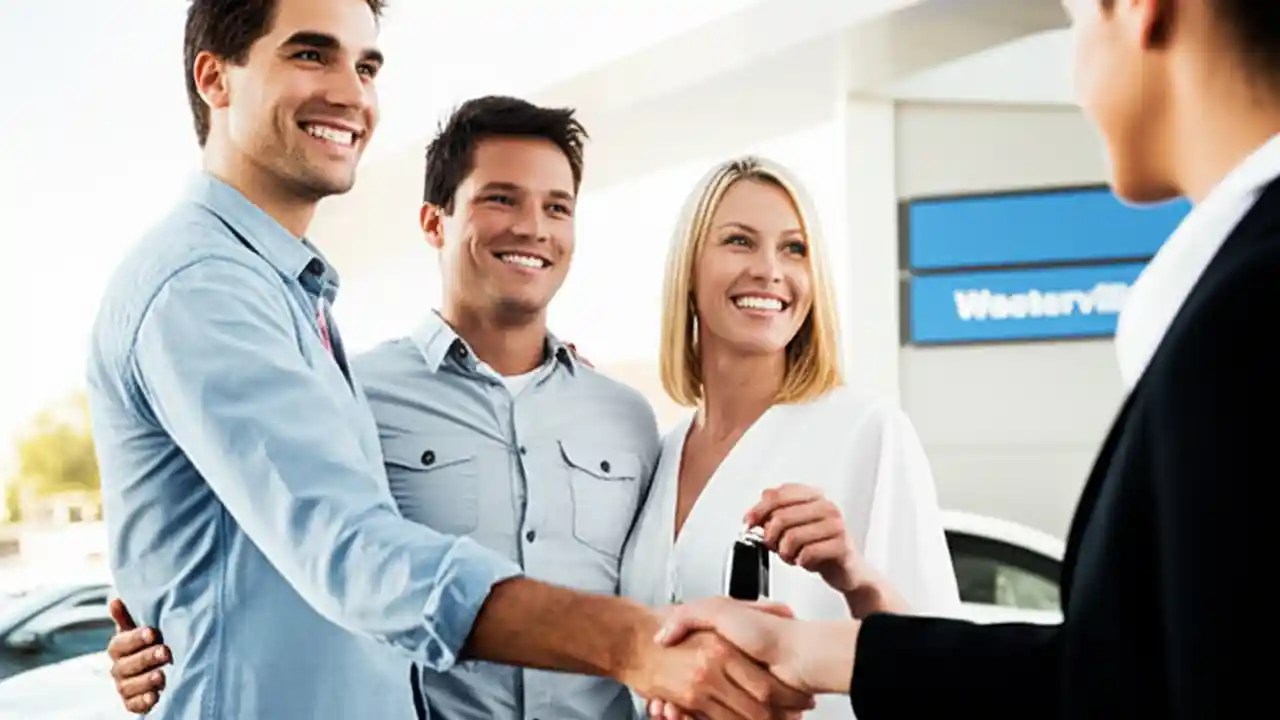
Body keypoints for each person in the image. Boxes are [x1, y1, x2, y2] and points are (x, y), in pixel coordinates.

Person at [86, 1, 812, 718]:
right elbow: (350, 549)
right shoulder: (207, 288)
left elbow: (237, 543)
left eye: (366, 65)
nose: (352, 92)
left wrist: (178, 601)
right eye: (311, 53)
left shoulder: (293, 304)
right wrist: (635, 646)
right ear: (214, 77)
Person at [650, 0, 1279, 717]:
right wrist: (805, 650)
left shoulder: (1245, 310)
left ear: (1138, 9)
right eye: (739, 242)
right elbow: (1122, 670)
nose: (1072, 72)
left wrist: (841, 614)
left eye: (1074, 23)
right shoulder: (656, 451)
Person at [104, 94, 670, 720]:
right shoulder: (347, 397)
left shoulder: (627, 419)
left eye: (557, 208)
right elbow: (270, 556)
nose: (534, 227)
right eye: (500, 199)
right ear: (434, 223)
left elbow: (660, 583)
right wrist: (157, 645)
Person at [621, 156, 960, 720]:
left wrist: (856, 573)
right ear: (688, 270)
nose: (770, 270)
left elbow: (941, 666)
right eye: (739, 242)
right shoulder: (660, 454)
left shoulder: (867, 431)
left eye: (794, 249)